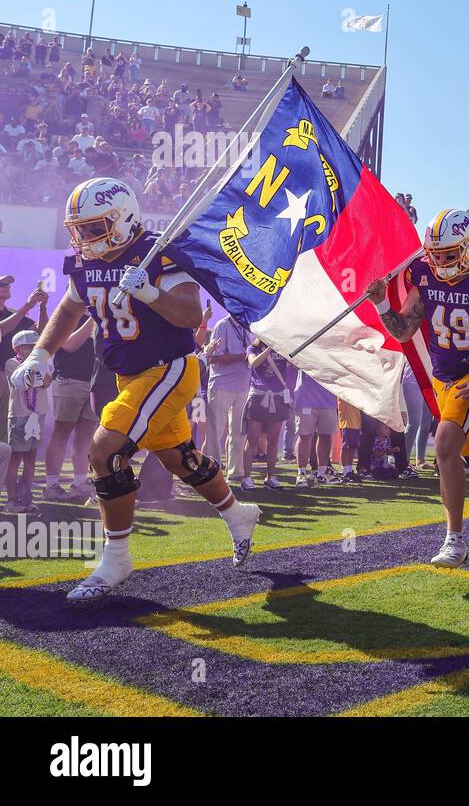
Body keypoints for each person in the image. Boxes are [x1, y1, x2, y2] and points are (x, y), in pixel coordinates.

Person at [8, 177, 260, 600]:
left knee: (106, 449)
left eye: (94, 227)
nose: (86, 238)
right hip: (130, 377)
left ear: (123, 220)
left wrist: (149, 291)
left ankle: (117, 557)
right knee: (183, 461)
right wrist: (41, 354)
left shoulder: (158, 252)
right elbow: (69, 309)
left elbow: (188, 314)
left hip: (170, 368)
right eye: (81, 229)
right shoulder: (86, 264)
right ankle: (239, 515)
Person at [366, 208, 469, 565]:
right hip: (444, 377)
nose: (440, 261)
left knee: (442, 447)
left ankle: (454, 540)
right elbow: (403, 331)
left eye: (449, 254)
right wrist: (381, 302)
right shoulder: (423, 274)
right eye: (435, 254)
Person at [42, 314, 98, 498]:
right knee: (61, 433)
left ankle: (80, 483)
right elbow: (70, 345)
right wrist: (93, 318)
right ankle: (51, 485)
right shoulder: (65, 317)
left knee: (85, 436)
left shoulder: (97, 318)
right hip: (68, 381)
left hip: (93, 385)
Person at [240, 341, 296, 490]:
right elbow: (253, 363)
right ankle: (247, 478)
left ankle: (270, 477)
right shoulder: (253, 348)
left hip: (277, 397)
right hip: (258, 396)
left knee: (273, 439)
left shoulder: (283, 348)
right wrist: (269, 349)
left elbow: (294, 364)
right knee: (252, 439)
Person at [0, 275, 48, 444]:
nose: (7, 287)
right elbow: (2, 329)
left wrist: (42, 307)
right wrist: (28, 305)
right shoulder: (16, 315)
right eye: (2, 284)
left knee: (6, 429)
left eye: (8, 285)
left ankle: (4, 467)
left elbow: (40, 331)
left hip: (11, 377)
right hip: (5, 374)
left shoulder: (13, 314)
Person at [5, 330, 49, 513]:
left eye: (35, 346)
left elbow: (47, 382)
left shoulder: (42, 362)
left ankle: (26, 498)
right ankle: (12, 499)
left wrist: (38, 373)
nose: (31, 350)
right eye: (27, 347)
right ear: (17, 349)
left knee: (31, 458)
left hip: (38, 414)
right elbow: (26, 382)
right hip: (19, 415)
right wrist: (37, 374)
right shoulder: (11, 363)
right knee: (15, 459)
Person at [204, 313, 251, 476]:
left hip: (243, 384)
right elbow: (213, 357)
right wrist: (244, 356)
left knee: (239, 432)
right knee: (215, 431)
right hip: (221, 384)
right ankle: (212, 472)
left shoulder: (248, 326)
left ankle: (236, 472)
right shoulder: (222, 325)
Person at [294, 370, 340, 486]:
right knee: (304, 436)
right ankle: (301, 474)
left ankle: (321, 472)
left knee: (326, 436)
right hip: (306, 398)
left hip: (329, 399)